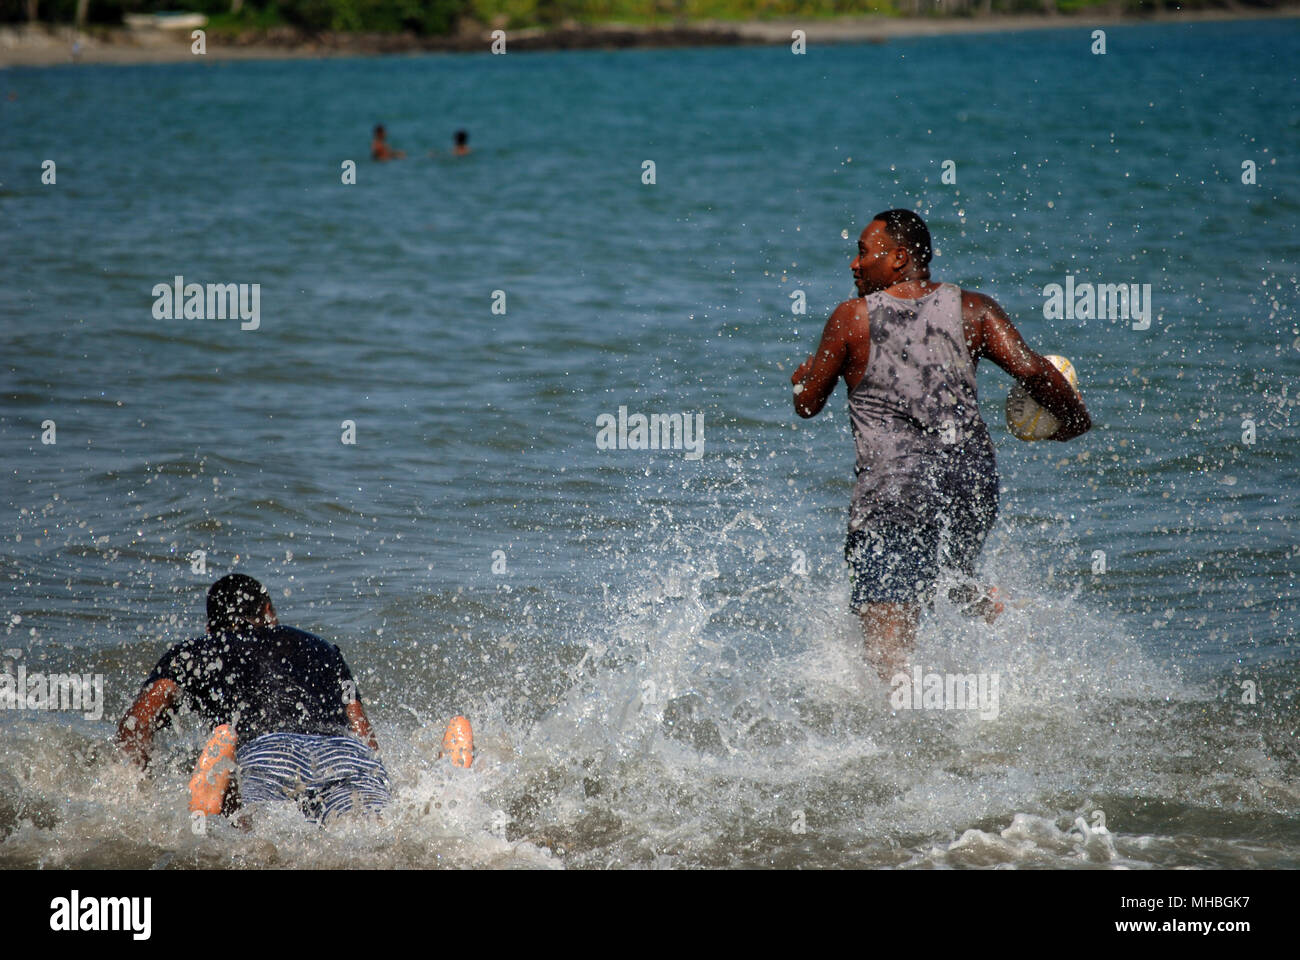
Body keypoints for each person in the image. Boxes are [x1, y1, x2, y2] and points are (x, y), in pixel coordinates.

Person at [791, 209, 1091, 680]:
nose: (854, 264)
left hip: (893, 497)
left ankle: (903, 734)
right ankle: (1019, 645)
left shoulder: (851, 319)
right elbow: (1031, 370)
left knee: (887, 645)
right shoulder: (973, 308)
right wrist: (1074, 420)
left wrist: (801, 380)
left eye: (864, 253)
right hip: (969, 487)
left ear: (898, 259)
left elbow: (807, 404)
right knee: (945, 575)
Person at [117, 574, 389, 822]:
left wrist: (142, 791)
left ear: (211, 624)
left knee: (266, 840)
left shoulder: (195, 652)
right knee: (368, 832)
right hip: (343, 753)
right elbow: (364, 733)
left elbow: (136, 724)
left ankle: (219, 794)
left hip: (268, 754)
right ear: (268, 611)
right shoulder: (323, 648)